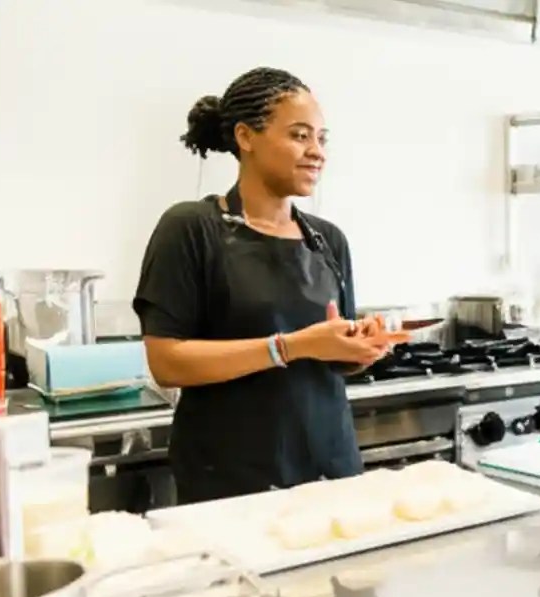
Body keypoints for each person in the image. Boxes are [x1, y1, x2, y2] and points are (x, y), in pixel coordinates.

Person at [133, 67, 406, 504]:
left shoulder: (327, 240)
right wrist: (290, 346)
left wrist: (360, 350)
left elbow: (330, 356)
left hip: (330, 470)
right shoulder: (190, 228)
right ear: (246, 136)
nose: (316, 152)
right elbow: (167, 362)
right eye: (300, 136)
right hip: (230, 482)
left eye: (322, 138)